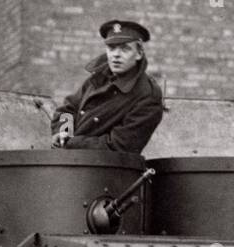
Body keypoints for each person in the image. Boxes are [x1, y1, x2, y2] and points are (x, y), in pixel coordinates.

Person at [50, 19, 163, 154]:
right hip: (71, 159)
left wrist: (71, 143)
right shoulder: (97, 78)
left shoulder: (147, 94)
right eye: (111, 48)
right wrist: (64, 133)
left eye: (125, 49)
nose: (116, 55)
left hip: (107, 169)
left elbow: (119, 146)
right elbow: (68, 108)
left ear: (139, 53)